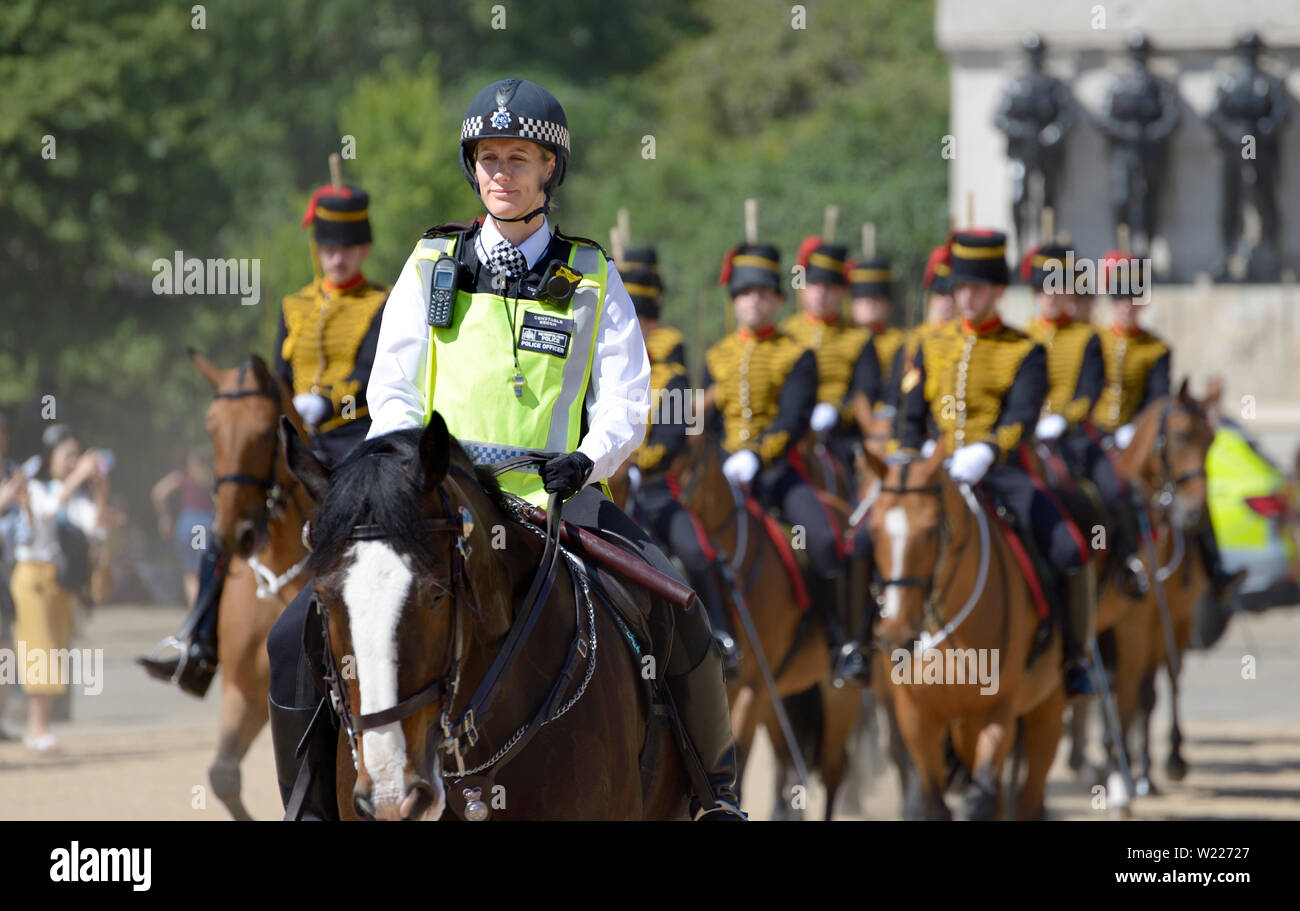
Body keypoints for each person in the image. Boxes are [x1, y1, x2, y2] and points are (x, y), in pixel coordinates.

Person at [265, 78, 744, 820]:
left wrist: (590, 457)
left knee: (679, 604)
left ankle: (717, 799)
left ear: (549, 169)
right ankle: (308, 806)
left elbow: (625, 395)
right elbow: (391, 385)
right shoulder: (430, 262)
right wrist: (411, 467)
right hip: (436, 502)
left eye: (517, 157)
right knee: (294, 627)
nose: (500, 172)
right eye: (487, 158)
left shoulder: (592, 275)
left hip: (559, 495)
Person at [138, 186, 388, 695]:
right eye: (327, 247)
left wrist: (331, 399)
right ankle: (199, 642)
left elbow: (375, 373)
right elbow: (277, 374)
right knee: (230, 515)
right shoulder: (295, 305)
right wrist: (291, 404)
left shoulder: (381, 304)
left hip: (351, 437)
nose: (335, 257)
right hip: (296, 438)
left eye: (344, 248)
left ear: (363, 249)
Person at [895, 230, 1096, 696]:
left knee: (1069, 549)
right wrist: (913, 454)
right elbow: (911, 414)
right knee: (871, 538)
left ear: (998, 291)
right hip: (933, 472)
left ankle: (1073, 654)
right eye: (959, 288)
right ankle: (866, 642)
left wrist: (986, 450)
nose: (966, 297)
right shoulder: (929, 344)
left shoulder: (1024, 350)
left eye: (977, 289)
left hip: (1001, 471)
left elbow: (1022, 415)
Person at [703, 243, 864, 685]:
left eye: (762, 292)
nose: (752, 299)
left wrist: (755, 455)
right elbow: (706, 425)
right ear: (733, 301)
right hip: (722, 477)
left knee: (825, 540)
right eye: (744, 292)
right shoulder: (716, 357)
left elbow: (793, 419)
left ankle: (840, 641)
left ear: (777, 299)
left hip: (777, 474)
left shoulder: (798, 356)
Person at [1090, 251, 1240, 600]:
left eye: (1132, 298)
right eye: (1120, 298)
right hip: (1094, 437)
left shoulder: (1156, 348)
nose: (1126, 305)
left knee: (1191, 489)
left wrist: (1132, 430)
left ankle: (1214, 568)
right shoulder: (1094, 341)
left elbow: (1158, 398)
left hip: (1137, 437)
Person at [620, 249, 740, 672]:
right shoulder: (599, 369)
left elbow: (671, 438)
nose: (637, 327)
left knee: (698, 552)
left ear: (653, 324)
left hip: (655, 490)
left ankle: (722, 635)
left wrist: (634, 462)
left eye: (644, 320)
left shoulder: (669, 377)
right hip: (609, 487)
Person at [1022, 244, 1146, 597]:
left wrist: (1063, 420)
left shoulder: (1087, 337)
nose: (1050, 297)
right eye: (1043, 290)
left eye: (1056, 289)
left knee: (1114, 489)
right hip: (1027, 435)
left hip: (1072, 435)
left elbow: (1090, 390)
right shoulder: (1023, 336)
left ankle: (1126, 559)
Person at [0, 425, 107, 752]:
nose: (75, 463)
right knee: (39, 652)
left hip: (61, 583)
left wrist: (101, 487)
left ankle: (36, 727)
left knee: (54, 651)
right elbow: (46, 513)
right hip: (31, 578)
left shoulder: (74, 496)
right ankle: (36, 727)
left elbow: (96, 529)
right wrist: (77, 479)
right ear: (51, 457)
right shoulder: (32, 486)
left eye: (78, 456)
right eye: (68, 456)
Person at [150, 448, 215, 608]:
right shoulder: (210, 479)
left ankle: (196, 607)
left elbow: (158, 492)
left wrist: (164, 518)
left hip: (187, 524)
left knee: (191, 571)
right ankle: (199, 608)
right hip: (203, 525)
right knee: (200, 569)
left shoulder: (182, 477)